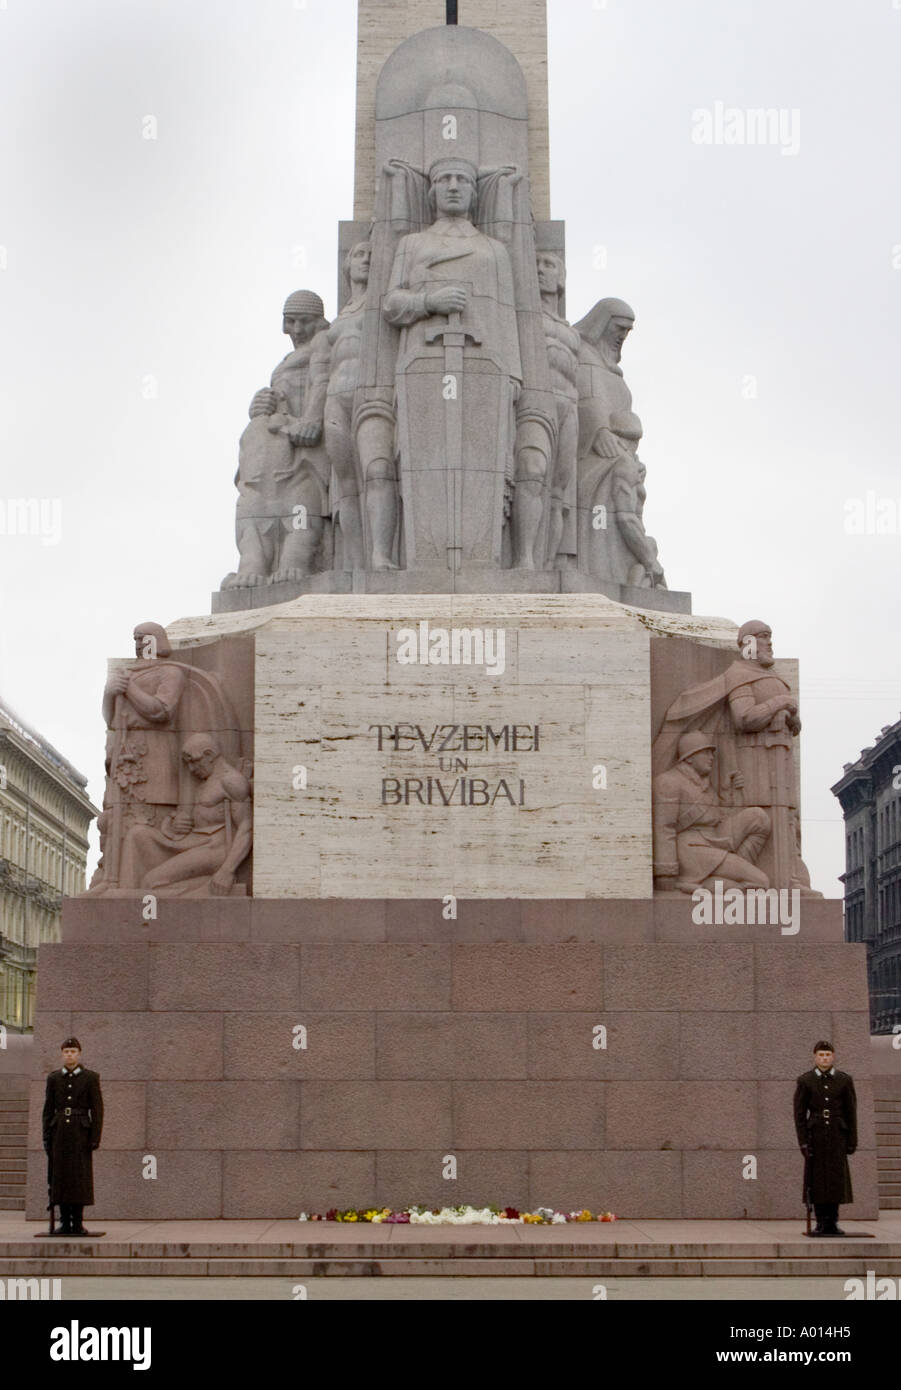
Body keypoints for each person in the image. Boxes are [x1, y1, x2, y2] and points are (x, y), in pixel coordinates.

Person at [41, 1038, 104, 1237]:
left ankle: (77, 1221)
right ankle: (63, 1221)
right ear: (62, 1054)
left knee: (79, 1178)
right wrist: (46, 1136)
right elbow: (48, 1110)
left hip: (80, 1133)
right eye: (66, 1051)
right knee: (60, 1177)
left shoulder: (90, 1078)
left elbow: (97, 1109)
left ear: (79, 1054)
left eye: (73, 1051)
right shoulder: (54, 1079)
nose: (70, 1055)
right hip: (59, 1132)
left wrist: (95, 1136)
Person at [793, 1040, 857, 1236]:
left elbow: (851, 1111)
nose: (824, 1058)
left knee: (836, 1180)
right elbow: (799, 1114)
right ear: (815, 1057)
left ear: (833, 1056)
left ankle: (833, 1221)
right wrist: (803, 1141)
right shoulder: (806, 1081)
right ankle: (821, 1221)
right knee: (818, 1180)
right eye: (821, 1055)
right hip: (816, 1136)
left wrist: (852, 1139)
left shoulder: (844, 1080)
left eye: (828, 1055)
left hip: (838, 1135)